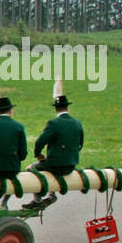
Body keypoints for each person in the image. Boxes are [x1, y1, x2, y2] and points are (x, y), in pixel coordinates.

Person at [23, 82, 83, 210]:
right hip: (71, 165)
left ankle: (38, 200)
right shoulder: (77, 123)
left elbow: (40, 142)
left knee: (31, 168)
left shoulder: (53, 123)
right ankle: (51, 194)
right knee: (49, 167)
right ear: (68, 108)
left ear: (56, 109)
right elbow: (80, 144)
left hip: (55, 165)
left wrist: (38, 155)